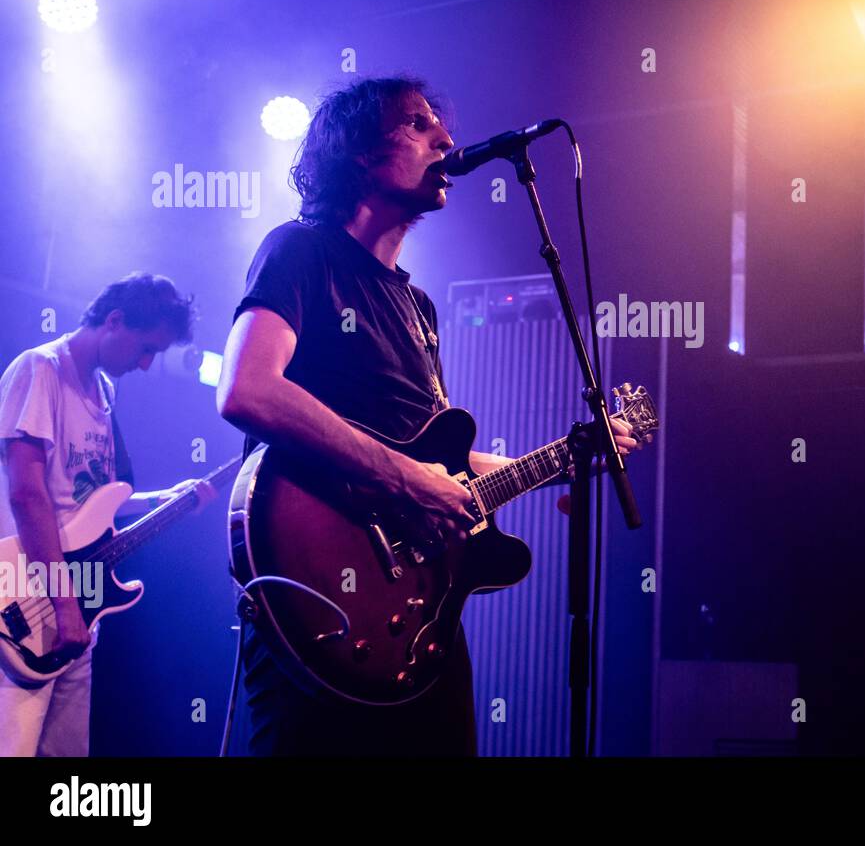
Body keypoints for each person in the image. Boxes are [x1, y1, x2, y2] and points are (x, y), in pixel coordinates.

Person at [216, 76, 643, 755]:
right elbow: (247, 391)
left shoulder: (420, 310)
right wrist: (408, 482)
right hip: (316, 597)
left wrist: (566, 460)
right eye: (418, 125)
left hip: (418, 624)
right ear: (358, 152)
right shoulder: (302, 251)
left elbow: (436, 458)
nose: (446, 139)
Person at [0, 273, 216, 756]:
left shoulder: (103, 392)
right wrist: (62, 604)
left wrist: (163, 499)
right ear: (114, 320)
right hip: (23, 601)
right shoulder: (40, 369)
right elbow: (27, 495)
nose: (144, 364)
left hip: (77, 609)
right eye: (145, 348)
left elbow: (93, 499)